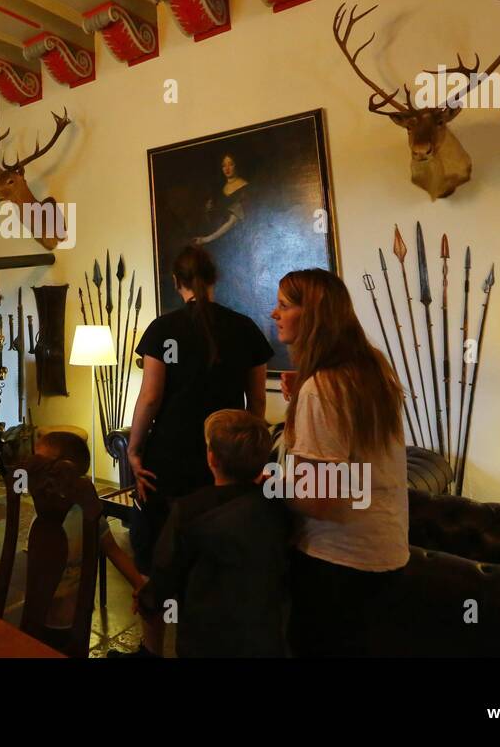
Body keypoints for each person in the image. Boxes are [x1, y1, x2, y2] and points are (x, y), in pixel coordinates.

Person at [121, 244, 273, 657]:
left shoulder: (163, 329)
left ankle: (152, 649)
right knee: (211, 557)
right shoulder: (245, 328)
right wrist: (254, 459)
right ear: (213, 279)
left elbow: (149, 399)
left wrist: (133, 451)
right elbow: (256, 404)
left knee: (156, 556)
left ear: (177, 283)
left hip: (168, 457)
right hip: (222, 458)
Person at [271, 268, 409, 657]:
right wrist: (299, 402)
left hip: (335, 562)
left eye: (284, 305)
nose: (274, 313)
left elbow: (321, 500)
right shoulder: (373, 370)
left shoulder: (323, 388)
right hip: (386, 551)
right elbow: (353, 462)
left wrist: (267, 483)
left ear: (313, 315)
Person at [136, 409, 289, 657]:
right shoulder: (276, 506)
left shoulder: (187, 510)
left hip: (204, 635)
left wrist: (149, 598)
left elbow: (166, 567)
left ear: (211, 458)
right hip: (262, 631)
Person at [32, 430, 143, 631]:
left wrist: (140, 585)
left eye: (40, 463)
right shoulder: (43, 509)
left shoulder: (88, 517)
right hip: (38, 609)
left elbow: (114, 551)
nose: (32, 468)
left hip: (69, 615)